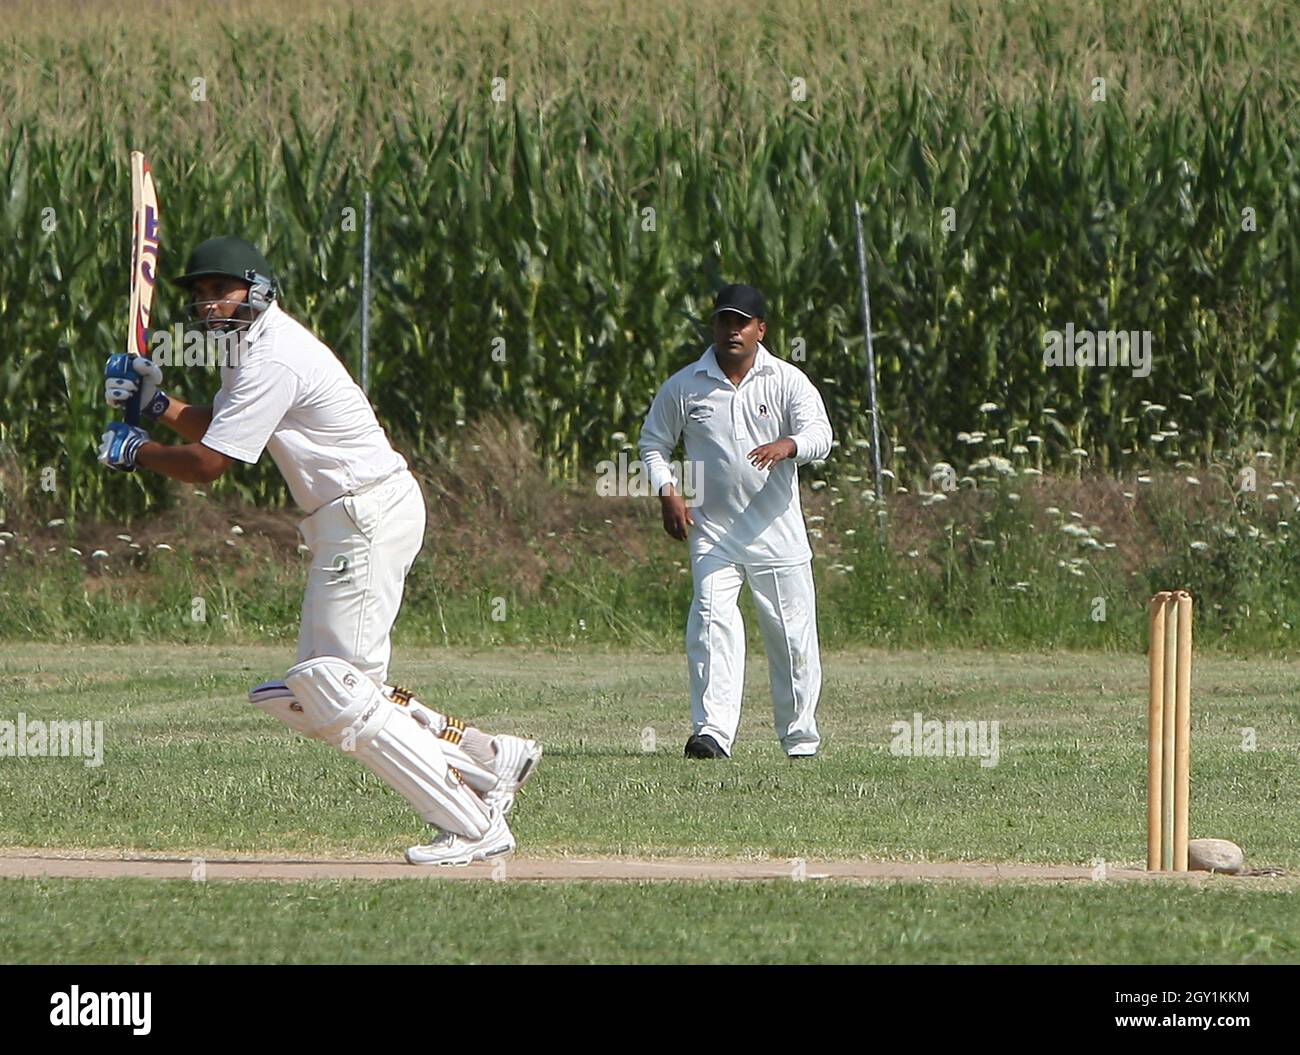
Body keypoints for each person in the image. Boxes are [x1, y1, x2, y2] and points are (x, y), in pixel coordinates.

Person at [98, 235, 540, 864]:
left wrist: (135, 450)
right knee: (305, 696)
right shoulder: (248, 350)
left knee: (329, 684)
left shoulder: (272, 356)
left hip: (364, 514)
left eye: (218, 290)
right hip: (351, 516)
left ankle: (473, 824)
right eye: (199, 294)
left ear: (256, 289)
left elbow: (207, 465)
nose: (206, 303)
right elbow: (222, 428)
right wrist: (157, 405)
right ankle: (487, 756)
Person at [638, 283, 833, 759]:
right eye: (724, 320)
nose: (732, 330)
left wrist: (789, 446)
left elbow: (820, 435)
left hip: (777, 533)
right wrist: (668, 492)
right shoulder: (686, 385)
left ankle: (800, 739)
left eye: (742, 322)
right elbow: (653, 443)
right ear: (715, 326)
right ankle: (712, 734)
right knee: (709, 624)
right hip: (713, 532)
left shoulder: (787, 380)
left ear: (760, 330)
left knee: (790, 639)